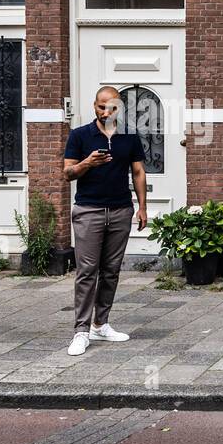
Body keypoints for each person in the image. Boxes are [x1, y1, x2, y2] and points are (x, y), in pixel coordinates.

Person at [62, 86, 147, 356]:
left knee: (111, 271)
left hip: (121, 210)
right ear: (94, 106)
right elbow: (68, 173)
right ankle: (81, 331)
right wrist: (88, 162)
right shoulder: (79, 135)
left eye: (111, 107)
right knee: (87, 272)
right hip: (89, 210)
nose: (106, 111)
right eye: (101, 106)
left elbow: (138, 173)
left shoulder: (130, 139)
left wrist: (142, 207)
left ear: (118, 108)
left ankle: (101, 323)